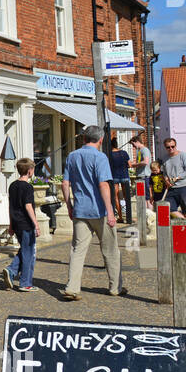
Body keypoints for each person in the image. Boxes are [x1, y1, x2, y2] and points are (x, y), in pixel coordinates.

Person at [60, 124, 123, 299]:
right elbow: (103, 184)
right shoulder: (100, 157)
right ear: (101, 140)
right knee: (110, 249)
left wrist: (69, 205)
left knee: (77, 250)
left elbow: (65, 183)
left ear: (84, 138)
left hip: (80, 209)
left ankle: (72, 288)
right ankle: (115, 287)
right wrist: (110, 211)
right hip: (99, 210)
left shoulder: (72, 156)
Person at [3, 157, 41, 292]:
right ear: (30, 171)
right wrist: (36, 223)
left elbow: (11, 207)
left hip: (16, 223)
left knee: (25, 250)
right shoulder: (28, 187)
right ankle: (25, 282)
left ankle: (11, 270)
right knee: (29, 253)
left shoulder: (12, 186)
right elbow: (28, 206)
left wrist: (11, 225)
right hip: (26, 223)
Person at [161, 137, 186, 239]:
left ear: (175, 145)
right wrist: (166, 180)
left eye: (173, 146)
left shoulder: (183, 156)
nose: (171, 149)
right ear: (165, 148)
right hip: (171, 189)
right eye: (168, 147)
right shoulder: (165, 158)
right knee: (170, 208)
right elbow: (164, 172)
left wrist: (177, 177)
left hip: (184, 187)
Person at [108, 134, 131, 224]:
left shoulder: (110, 155)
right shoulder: (124, 153)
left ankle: (120, 217)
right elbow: (129, 165)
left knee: (116, 197)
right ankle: (128, 217)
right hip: (125, 175)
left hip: (114, 176)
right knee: (126, 197)